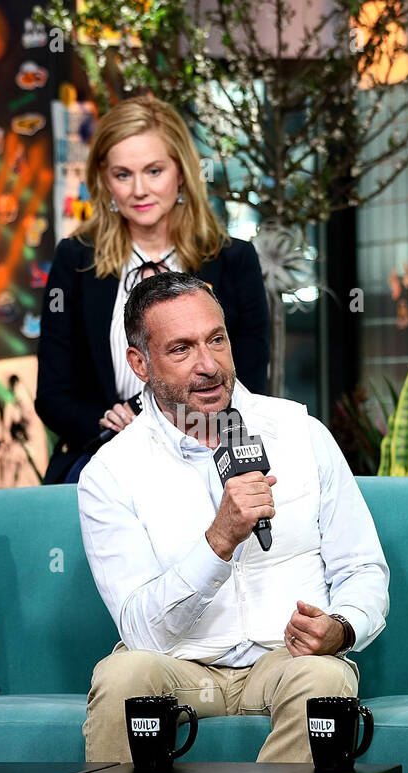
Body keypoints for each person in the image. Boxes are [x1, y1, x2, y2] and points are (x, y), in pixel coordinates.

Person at [78, 272, 389, 763]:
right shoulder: (111, 473)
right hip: (181, 668)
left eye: (216, 340)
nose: (208, 365)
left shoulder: (300, 432)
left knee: (325, 677)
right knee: (122, 675)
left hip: (285, 662)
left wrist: (342, 627)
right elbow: (141, 632)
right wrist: (218, 541)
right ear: (140, 362)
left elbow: (362, 568)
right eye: (181, 349)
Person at [38, 94, 270, 484]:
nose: (139, 190)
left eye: (154, 171)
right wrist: (105, 420)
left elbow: (247, 383)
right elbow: (53, 396)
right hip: (106, 456)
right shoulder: (75, 260)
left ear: (181, 172)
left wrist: (166, 426)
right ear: (104, 179)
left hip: (210, 453)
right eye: (123, 175)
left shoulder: (234, 260)